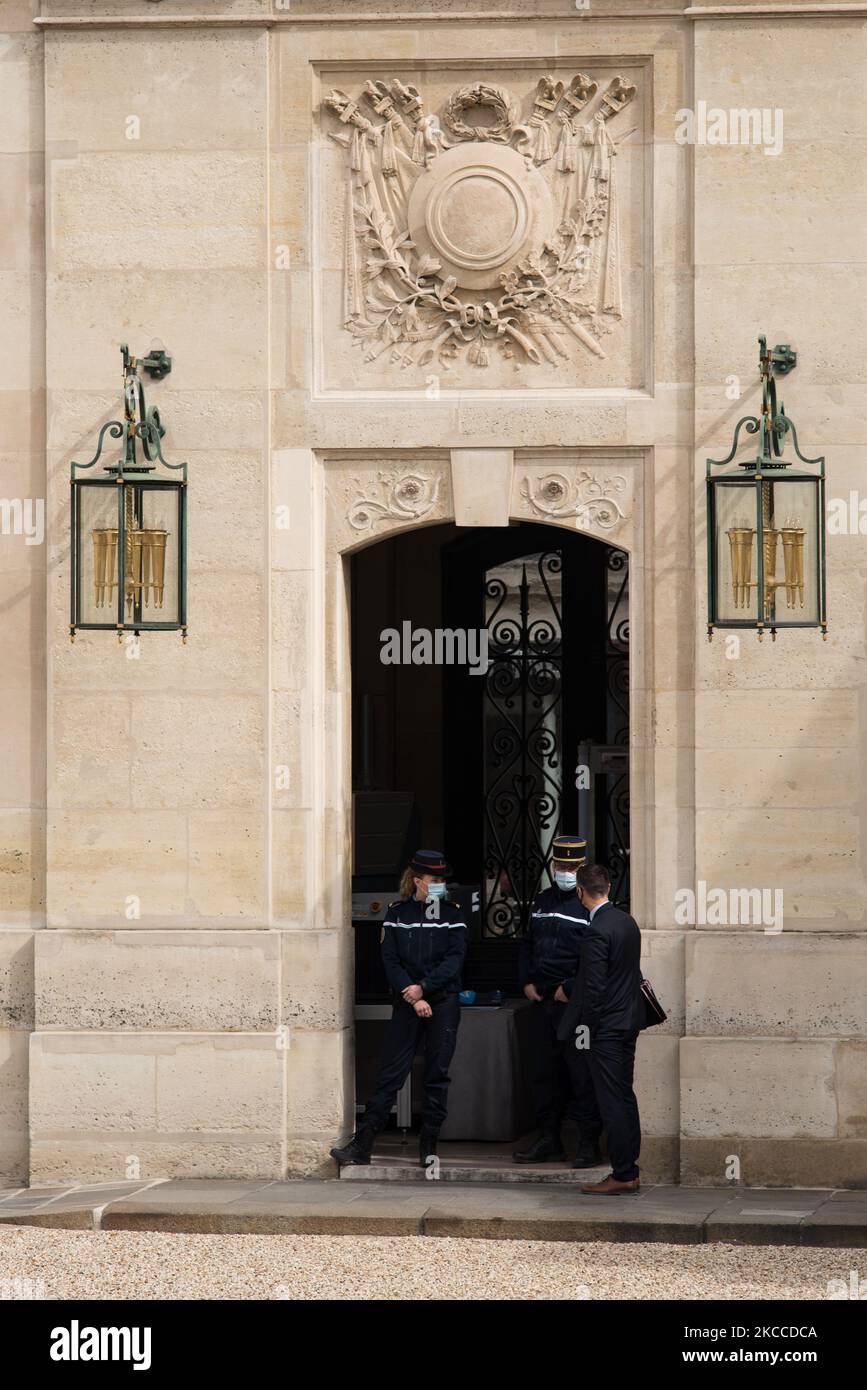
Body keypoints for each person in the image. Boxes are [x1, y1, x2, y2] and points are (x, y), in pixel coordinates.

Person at [331, 849, 468, 1169]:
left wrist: (425, 988)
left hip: (443, 1002)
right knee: (390, 1074)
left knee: (437, 1075)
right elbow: (389, 960)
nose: (440, 885)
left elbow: (455, 960)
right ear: (418, 881)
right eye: (434, 880)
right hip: (408, 1003)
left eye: (442, 880)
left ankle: (429, 1146)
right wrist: (414, 996)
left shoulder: (452, 913)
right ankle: (363, 1144)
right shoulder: (397, 913)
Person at [513, 834, 603, 1167]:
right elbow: (527, 944)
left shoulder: (589, 906)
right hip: (542, 999)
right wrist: (525, 981)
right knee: (544, 1073)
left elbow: (594, 957)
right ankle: (550, 1139)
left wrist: (571, 987)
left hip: (574, 1004)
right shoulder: (542, 901)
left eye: (571, 866)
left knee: (581, 1074)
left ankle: (588, 1143)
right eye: (561, 865)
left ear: (582, 868)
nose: (565, 871)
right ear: (553, 866)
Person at [557, 863, 644, 1194]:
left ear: (580, 892)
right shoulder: (626, 922)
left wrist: (584, 1029)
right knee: (624, 1096)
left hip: (605, 1028)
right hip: (628, 1023)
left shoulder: (596, 931)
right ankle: (628, 1169)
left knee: (611, 1101)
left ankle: (623, 1173)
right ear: (607, 888)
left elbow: (593, 989)